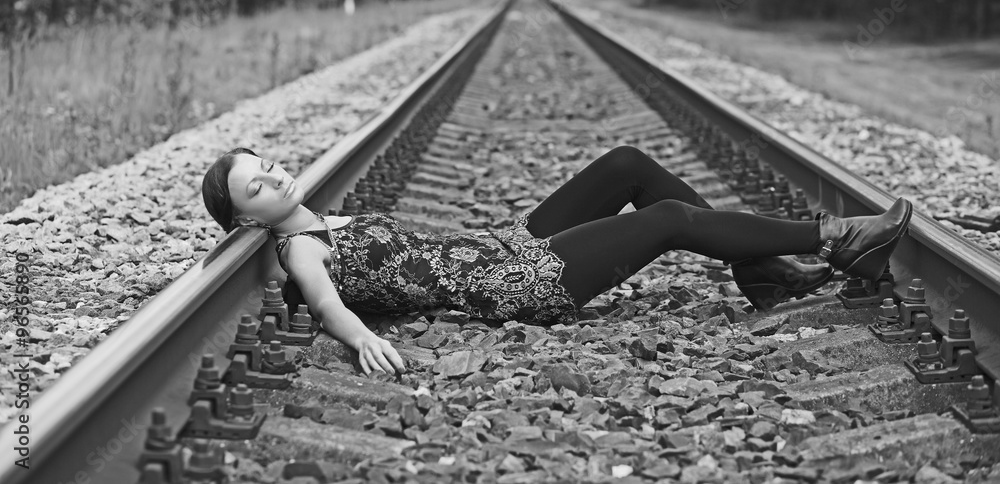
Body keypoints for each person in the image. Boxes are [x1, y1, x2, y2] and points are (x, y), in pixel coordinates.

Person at [201, 144, 912, 377]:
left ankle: (757, 271)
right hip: (515, 281)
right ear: (243, 217)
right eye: (253, 186)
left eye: (266, 165)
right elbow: (326, 303)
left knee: (628, 166)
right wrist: (362, 339)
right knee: (665, 220)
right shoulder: (300, 247)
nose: (272, 177)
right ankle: (834, 239)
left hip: (506, 242)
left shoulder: (320, 217)